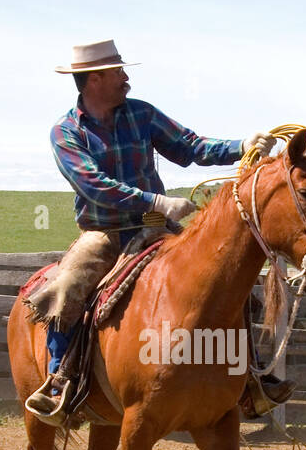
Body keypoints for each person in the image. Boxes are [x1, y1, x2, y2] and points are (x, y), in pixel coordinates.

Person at [23, 39, 290, 423]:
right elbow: (93, 184)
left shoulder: (141, 114)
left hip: (155, 228)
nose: (126, 77)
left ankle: (249, 377)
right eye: (118, 71)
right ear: (94, 78)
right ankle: (59, 379)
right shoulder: (66, 133)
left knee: (226, 283)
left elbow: (189, 146)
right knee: (67, 287)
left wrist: (240, 145)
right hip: (104, 231)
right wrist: (156, 202)